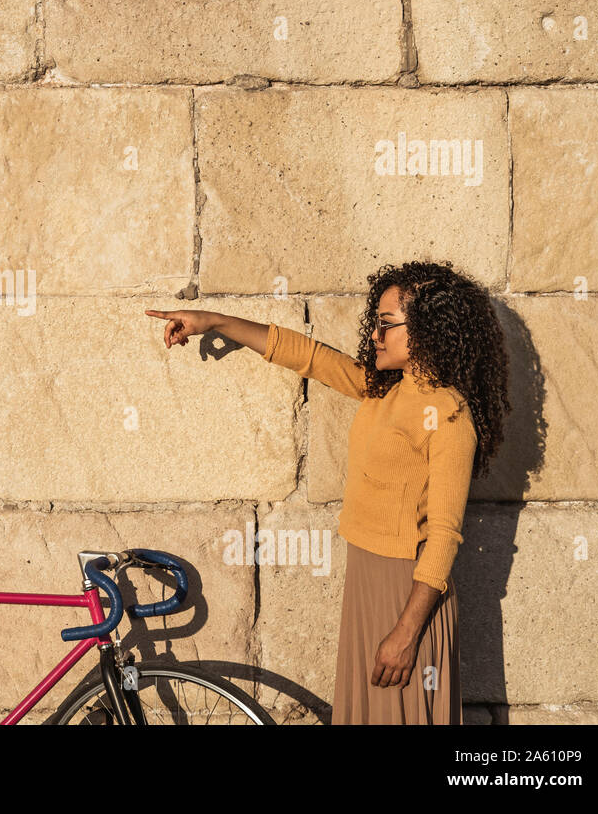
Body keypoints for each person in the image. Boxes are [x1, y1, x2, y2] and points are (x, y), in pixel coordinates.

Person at [146, 263, 510, 724]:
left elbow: (444, 535)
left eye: (386, 323)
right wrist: (214, 320)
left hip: (408, 593)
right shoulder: (387, 391)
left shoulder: (449, 414)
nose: (375, 335)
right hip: (368, 579)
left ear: (426, 330)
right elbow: (310, 356)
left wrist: (405, 632)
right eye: (375, 322)